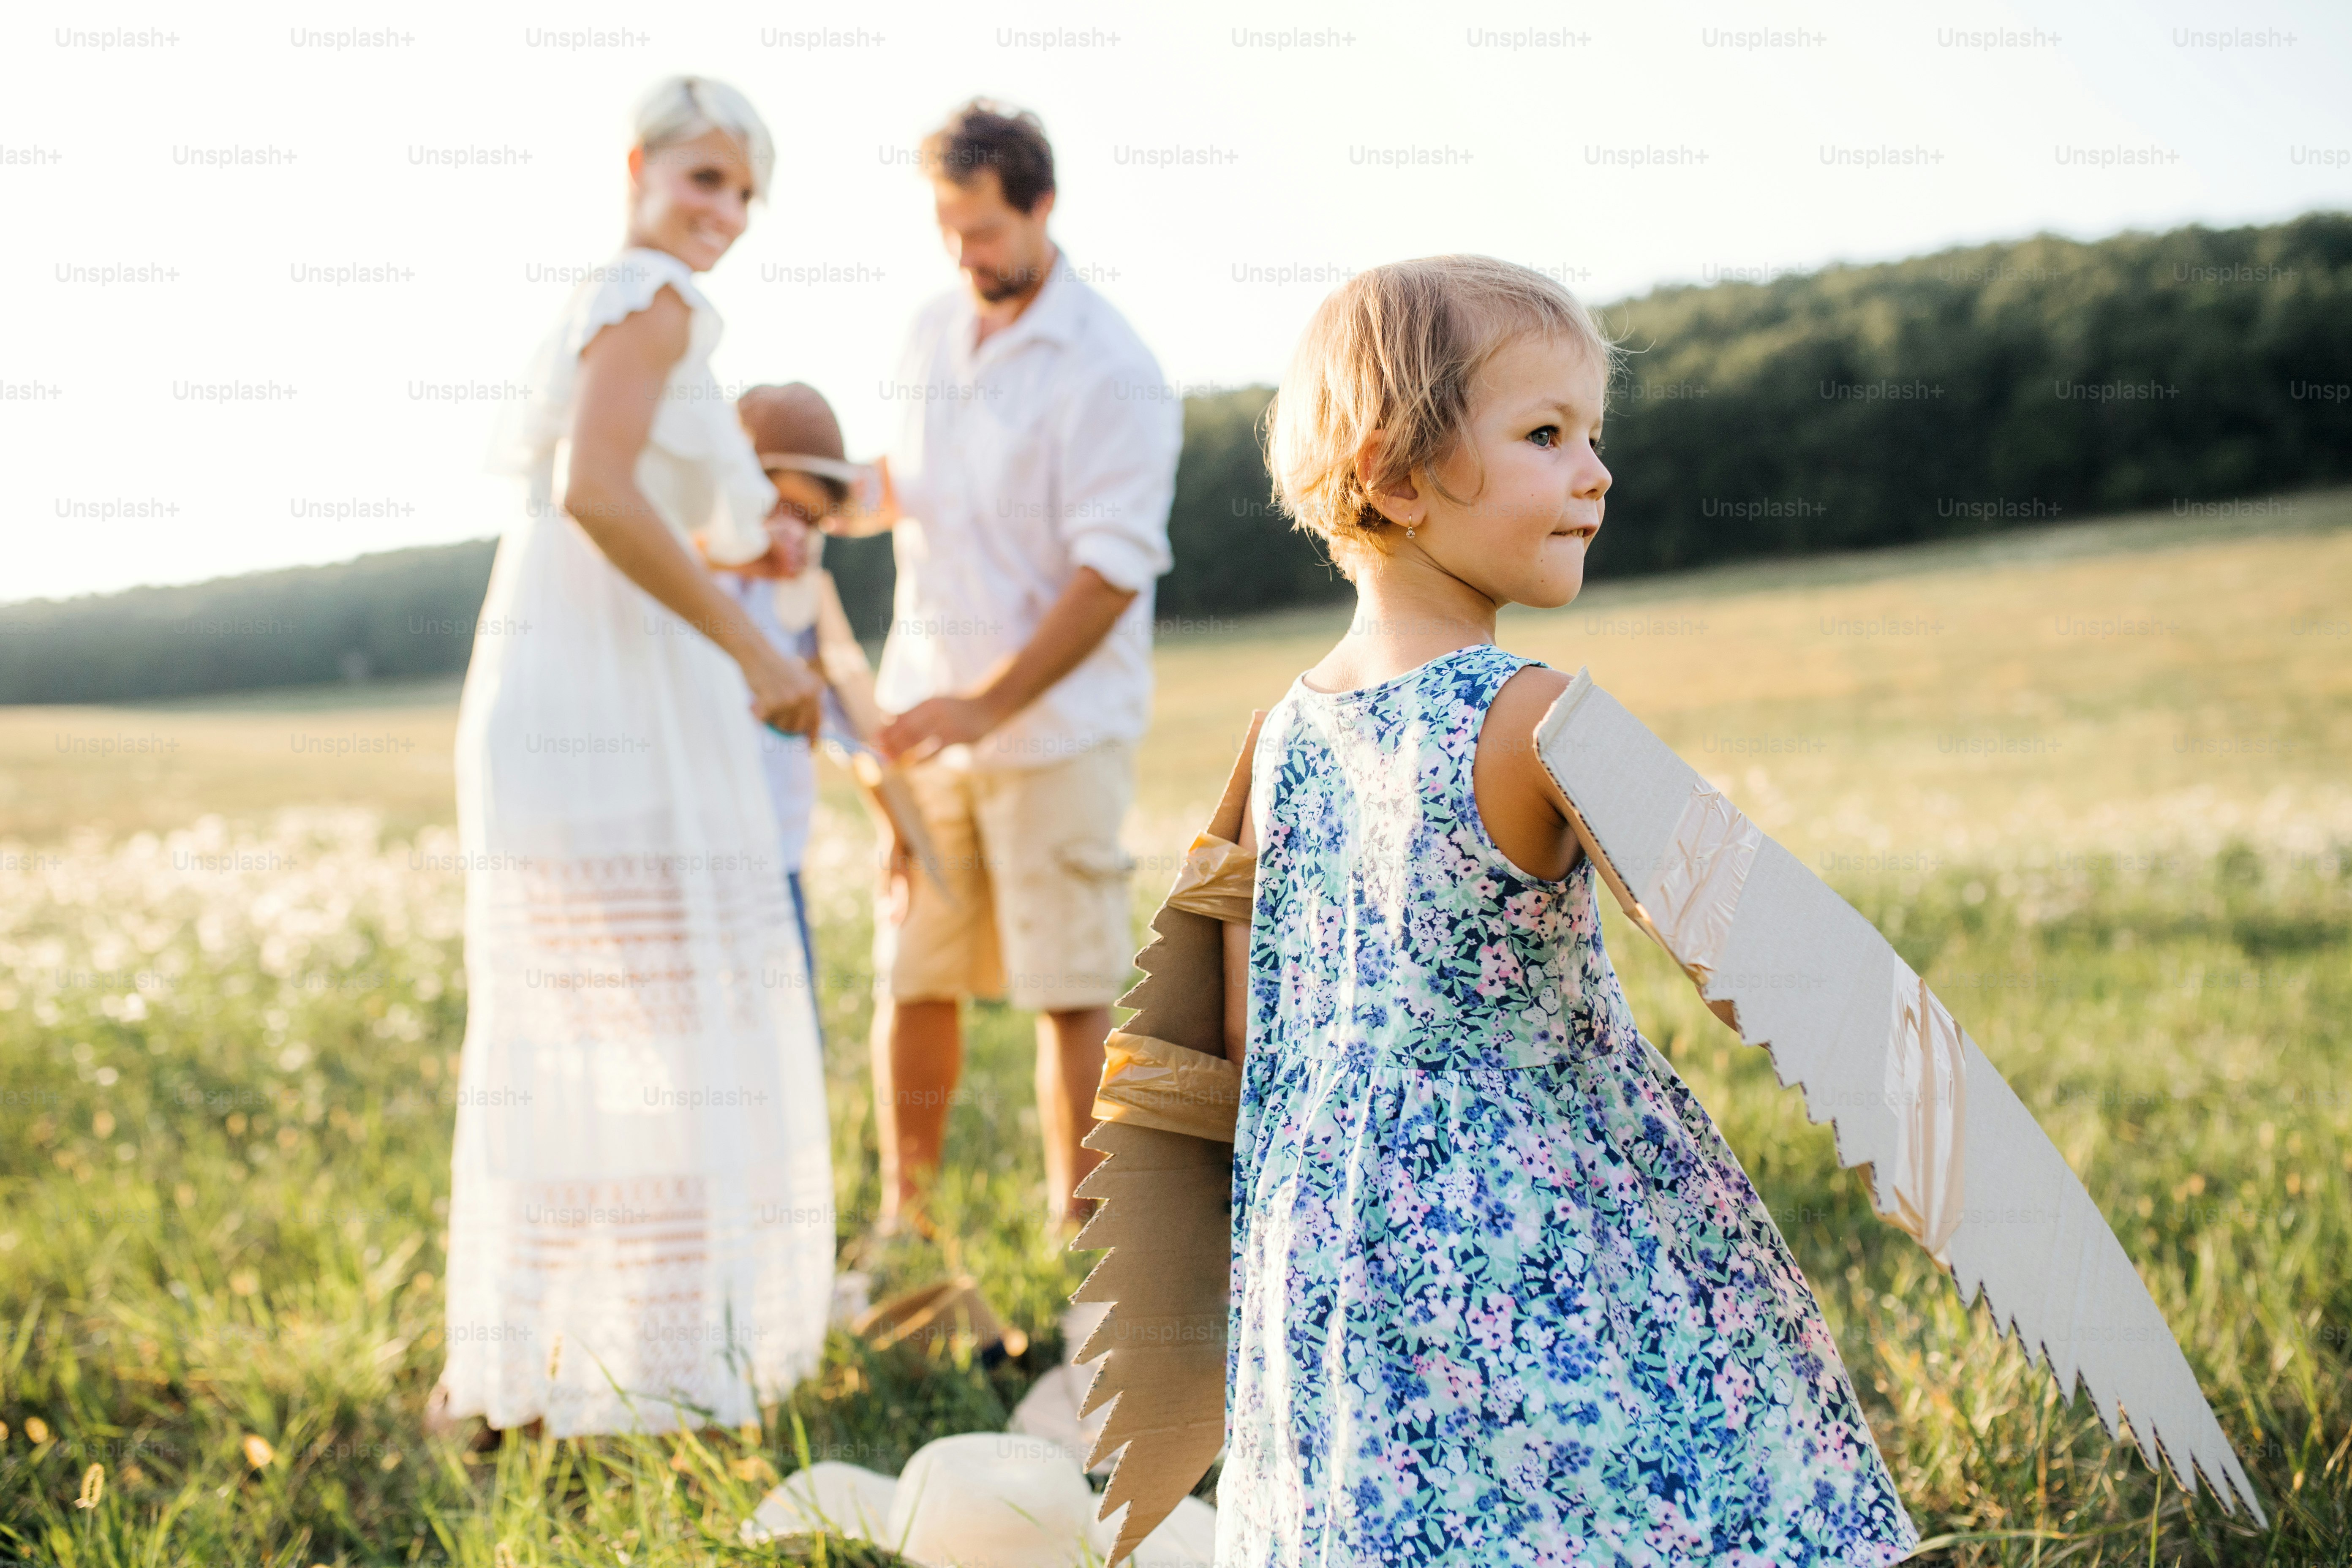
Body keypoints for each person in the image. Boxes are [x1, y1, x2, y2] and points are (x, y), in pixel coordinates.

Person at [1217, 257, 1919, 1563]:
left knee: (1411, 1508)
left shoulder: (1278, 738)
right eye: (1546, 436)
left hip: (1330, 1222)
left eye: (1594, 436)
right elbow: (1749, 953)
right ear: (1396, 475)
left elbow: (1250, 1013)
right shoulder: (1532, 715)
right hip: (1539, 1196)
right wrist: (1921, 1122)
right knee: (1634, 1472)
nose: (1596, 473)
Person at [433, 76, 834, 1438]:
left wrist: (752, 546)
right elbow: (591, 494)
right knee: (657, 1041)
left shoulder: (631, 302)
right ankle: (638, 1381)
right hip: (608, 704)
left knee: (599, 1037)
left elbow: (641, 504)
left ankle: (542, 1366)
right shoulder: (655, 296)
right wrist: (760, 650)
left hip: (582, 684)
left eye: (745, 192)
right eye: (707, 177)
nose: (724, 212)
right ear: (641, 165)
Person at [830, 101, 1182, 1228]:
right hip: (920, 710)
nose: (962, 252)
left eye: (981, 229)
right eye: (946, 226)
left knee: (1068, 986)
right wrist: (832, 499)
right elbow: (909, 483)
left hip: (1055, 731)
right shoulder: (929, 330)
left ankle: (1079, 1238)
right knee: (914, 974)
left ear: (1042, 207)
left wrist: (989, 706)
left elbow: (1113, 574)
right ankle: (908, 1221)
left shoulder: (1110, 365)